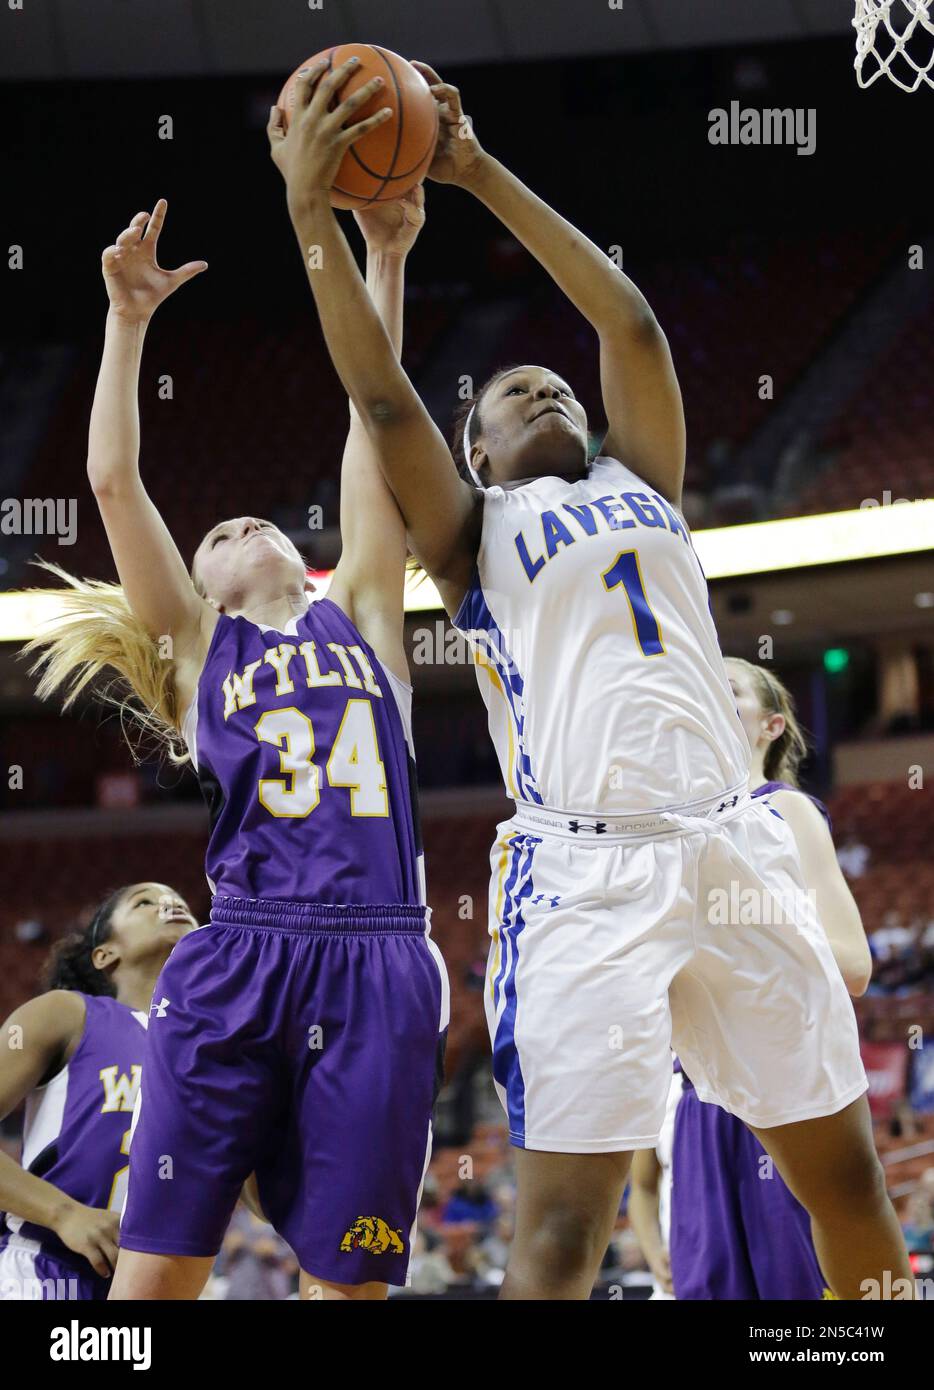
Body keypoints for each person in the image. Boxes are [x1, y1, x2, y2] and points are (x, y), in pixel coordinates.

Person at [268, 57, 912, 1299]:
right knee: (564, 1232)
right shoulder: (470, 538)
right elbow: (377, 394)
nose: (549, 387)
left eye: (557, 385)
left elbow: (630, 326)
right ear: (478, 450)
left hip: (733, 851)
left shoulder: (644, 483)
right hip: (584, 878)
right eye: (516, 391)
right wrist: (313, 224)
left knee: (842, 1181)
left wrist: (475, 170)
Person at [24, 181, 448, 1301]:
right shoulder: (196, 648)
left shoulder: (357, 603)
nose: (242, 525)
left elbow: (375, 414)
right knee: (157, 1277)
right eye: (216, 531)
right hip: (245, 956)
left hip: (377, 955)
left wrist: (385, 254)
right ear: (195, 583)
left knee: (348, 1285)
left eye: (259, 519)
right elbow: (114, 479)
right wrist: (126, 322)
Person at [0, 884, 195, 1299]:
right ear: (105, 953)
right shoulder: (67, 1013)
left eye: (180, 902)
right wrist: (63, 1213)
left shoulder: (216, 1057)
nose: (170, 904)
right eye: (144, 901)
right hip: (44, 1268)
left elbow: (260, 1203)